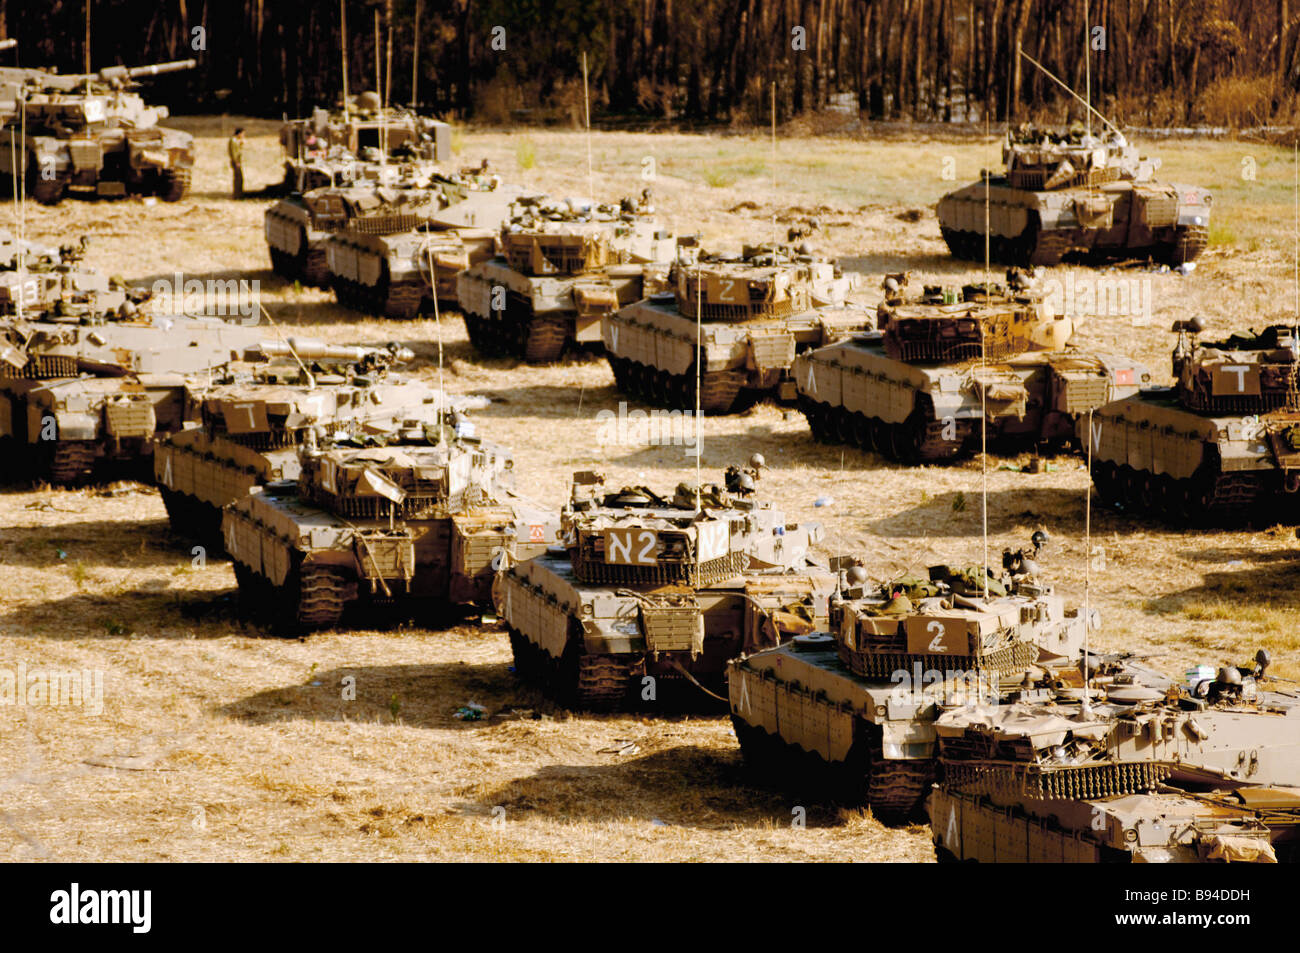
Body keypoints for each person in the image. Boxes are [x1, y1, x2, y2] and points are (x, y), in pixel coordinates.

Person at [228, 128, 245, 198]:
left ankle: (239, 193)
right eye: (243, 134)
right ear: (239, 133)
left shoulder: (236, 141)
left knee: (240, 178)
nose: (243, 136)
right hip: (236, 162)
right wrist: (236, 161)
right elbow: (233, 152)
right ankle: (237, 194)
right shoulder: (233, 141)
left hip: (238, 161)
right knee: (238, 178)